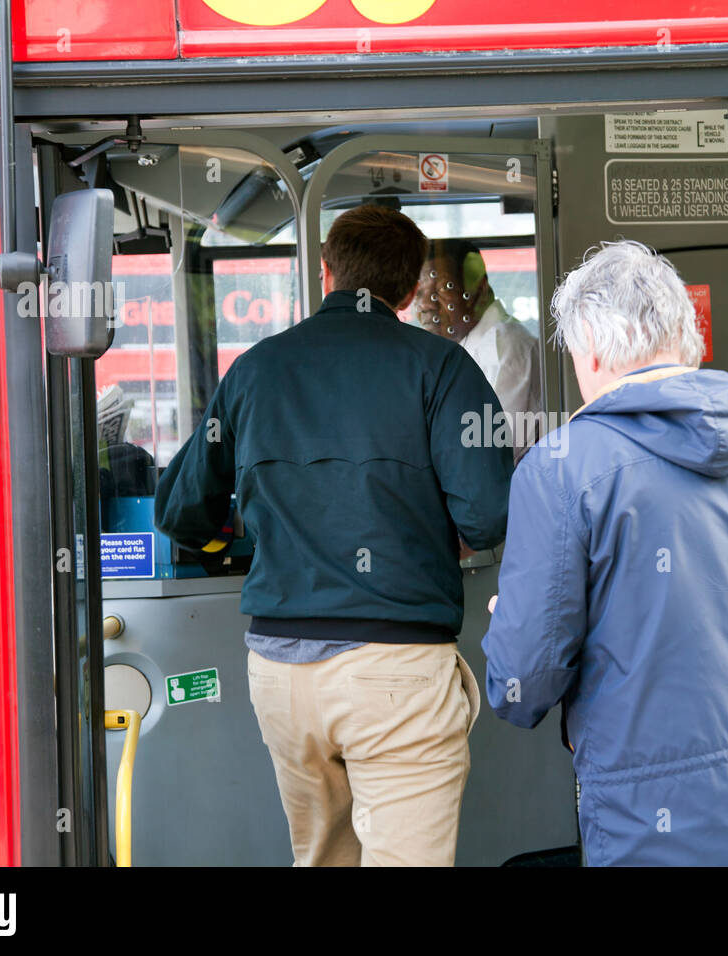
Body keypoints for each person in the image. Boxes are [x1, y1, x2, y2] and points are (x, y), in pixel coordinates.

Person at [154, 204, 513, 866]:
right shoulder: (442, 368)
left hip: (281, 674)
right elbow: (487, 516)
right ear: (409, 291)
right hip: (396, 667)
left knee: (322, 859)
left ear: (324, 273)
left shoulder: (253, 370)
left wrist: (246, 532)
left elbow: (181, 512)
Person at [481, 240, 728, 866]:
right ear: (686, 338)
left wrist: (509, 627)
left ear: (592, 350)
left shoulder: (560, 468)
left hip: (654, 812)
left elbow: (521, 686)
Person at [412, 239, 542, 459]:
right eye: (418, 293)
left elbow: (489, 451)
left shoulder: (502, 348)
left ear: (479, 290)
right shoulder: (467, 345)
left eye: (443, 288)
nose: (426, 304)